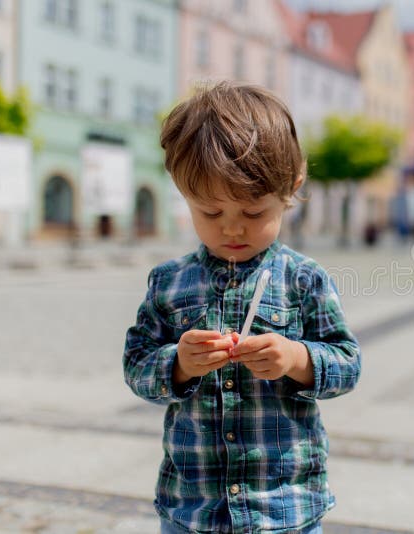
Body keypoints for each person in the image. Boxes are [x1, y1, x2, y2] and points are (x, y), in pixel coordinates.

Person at [123, 83, 361, 534]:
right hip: (192, 507)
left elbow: (348, 364)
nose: (232, 229)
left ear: (291, 189)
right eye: (210, 213)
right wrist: (178, 364)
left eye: (253, 214)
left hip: (284, 507)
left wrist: (296, 358)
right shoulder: (169, 282)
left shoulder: (304, 278)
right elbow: (136, 366)